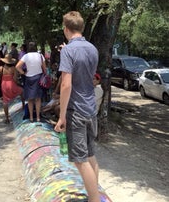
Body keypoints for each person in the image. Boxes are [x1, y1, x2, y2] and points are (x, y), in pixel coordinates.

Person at [54, 11, 101, 202]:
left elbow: (66, 85)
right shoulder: (92, 49)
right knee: (90, 156)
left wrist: (61, 116)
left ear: (66, 29)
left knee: (80, 161)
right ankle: (94, 196)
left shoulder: (68, 51)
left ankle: (94, 199)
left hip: (76, 111)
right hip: (91, 108)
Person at [17, 41, 47, 122]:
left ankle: (30, 117)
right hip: (38, 78)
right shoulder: (40, 56)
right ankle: (38, 117)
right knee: (38, 98)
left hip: (29, 78)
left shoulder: (26, 56)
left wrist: (23, 73)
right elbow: (44, 68)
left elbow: (17, 66)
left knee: (30, 99)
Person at [0, 53, 24, 124]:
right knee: (22, 91)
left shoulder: (1, 68)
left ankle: (7, 118)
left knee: (5, 101)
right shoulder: (13, 68)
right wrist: (17, 83)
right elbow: (15, 79)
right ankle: (23, 105)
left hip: (4, 84)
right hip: (11, 84)